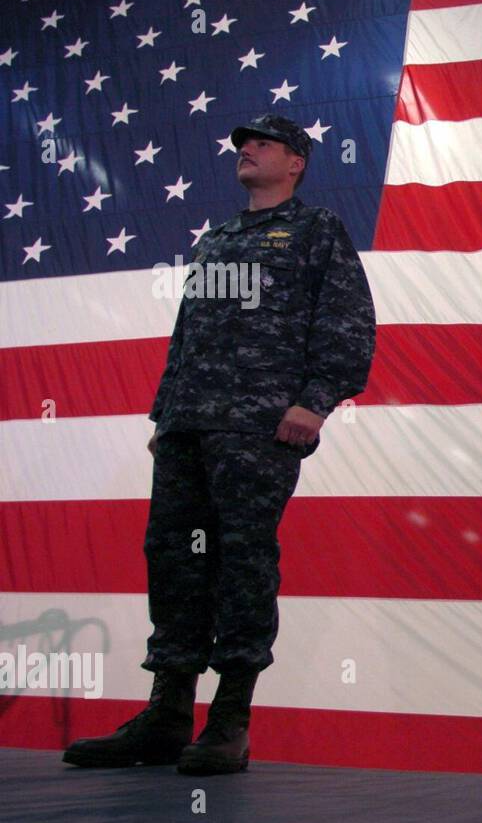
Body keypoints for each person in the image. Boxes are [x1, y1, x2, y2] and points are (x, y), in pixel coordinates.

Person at [64, 114, 376, 776]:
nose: (247, 151)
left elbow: (348, 322)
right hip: (188, 425)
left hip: (258, 426)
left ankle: (230, 721)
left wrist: (316, 401)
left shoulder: (316, 230)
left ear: (295, 162)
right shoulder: (217, 238)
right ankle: (169, 714)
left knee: (242, 560)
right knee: (172, 559)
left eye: (262, 143)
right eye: (242, 144)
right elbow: (189, 331)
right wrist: (164, 416)